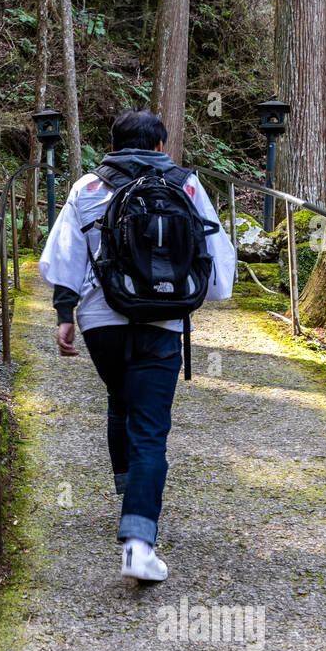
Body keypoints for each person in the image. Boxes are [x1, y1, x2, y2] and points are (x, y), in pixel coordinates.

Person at [38, 109, 236, 583]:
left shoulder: (88, 187)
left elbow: (61, 260)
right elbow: (217, 260)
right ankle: (138, 543)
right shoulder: (185, 184)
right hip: (163, 320)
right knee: (149, 430)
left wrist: (66, 316)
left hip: (101, 321)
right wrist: (188, 297)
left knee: (118, 398)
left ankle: (130, 500)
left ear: (112, 144)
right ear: (160, 146)